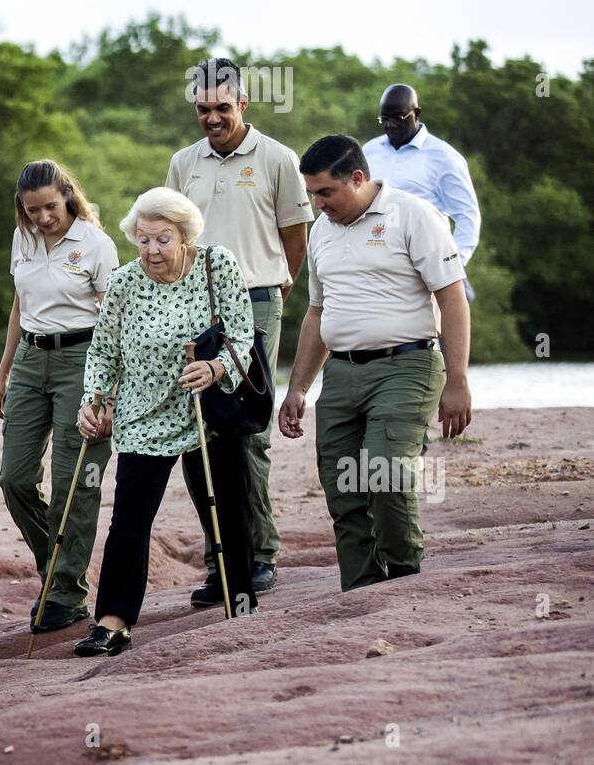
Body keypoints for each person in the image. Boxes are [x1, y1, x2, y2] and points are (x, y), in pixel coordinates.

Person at [279, 135, 472, 592]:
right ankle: (362, 590)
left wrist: (458, 379)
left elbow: (451, 295)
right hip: (342, 372)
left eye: (326, 192)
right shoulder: (323, 230)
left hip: (407, 365)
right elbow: (317, 312)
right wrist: (298, 388)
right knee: (342, 486)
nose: (318, 203)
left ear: (358, 178)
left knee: (385, 472)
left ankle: (403, 577)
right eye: (311, 194)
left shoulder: (414, 215)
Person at [71, 187, 258, 657]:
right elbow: (103, 351)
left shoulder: (218, 265)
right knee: (130, 520)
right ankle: (113, 622)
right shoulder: (124, 283)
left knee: (227, 508)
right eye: (144, 239)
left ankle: (240, 600)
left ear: (184, 236)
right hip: (142, 415)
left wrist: (216, 369)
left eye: (163, 240)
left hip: (206, 411)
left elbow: (241, 335)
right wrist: (93, 399)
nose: (152, 250)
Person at [166, 57, 312, 606]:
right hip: (192, 308)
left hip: (254, 302)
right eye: (203, 109)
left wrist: (279, 290)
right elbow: (172, 237)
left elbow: (296, 237)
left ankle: (261, 556)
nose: (212, 118)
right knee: (201, 434)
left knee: (247, 428)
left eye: (222, 108)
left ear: (243, 104)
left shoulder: (278, 159)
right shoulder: (183, 164)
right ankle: (221, 561)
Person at [0, 159, 120, 633]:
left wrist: (107, 393)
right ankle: (58, 568)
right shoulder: (22, 238)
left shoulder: (95, 244)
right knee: (14, 479)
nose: (43, 218)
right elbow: (19, 306)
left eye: (50, 206)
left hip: (84, 362)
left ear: (67, 195)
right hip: (29, 359)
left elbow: (117, 319)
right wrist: (3, 375)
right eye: (32, 210)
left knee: (74, 484)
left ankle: (65, 593)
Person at [363, 84, 481, 299]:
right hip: (379, 262)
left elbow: (468, 216)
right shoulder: (369, 150)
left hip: (427, 262)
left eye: (398, 117)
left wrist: (450, 265)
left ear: (416, 113)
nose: (390, 125)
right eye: (384, 119)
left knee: (441, 330)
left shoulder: (444, 157)